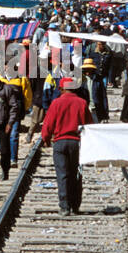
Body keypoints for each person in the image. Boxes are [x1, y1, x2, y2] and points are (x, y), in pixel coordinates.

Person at [40, 75, 94, 216]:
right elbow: (89, 125)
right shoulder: (82, 103)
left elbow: (48, 123)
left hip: (60, 143)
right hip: (77, 142)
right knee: (76, 173)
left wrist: (45, 138)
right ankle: (75, 206)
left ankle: (64, 206)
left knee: (62, 175)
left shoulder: (56, 103)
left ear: (62, 89)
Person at [81, 57, 109, 122]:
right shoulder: (80, 80)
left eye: (89, 69)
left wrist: (105, 113)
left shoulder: (98, 80)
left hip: (96, 109)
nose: (87, 71)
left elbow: (103, 96)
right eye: (86, 69)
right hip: (84, 108)